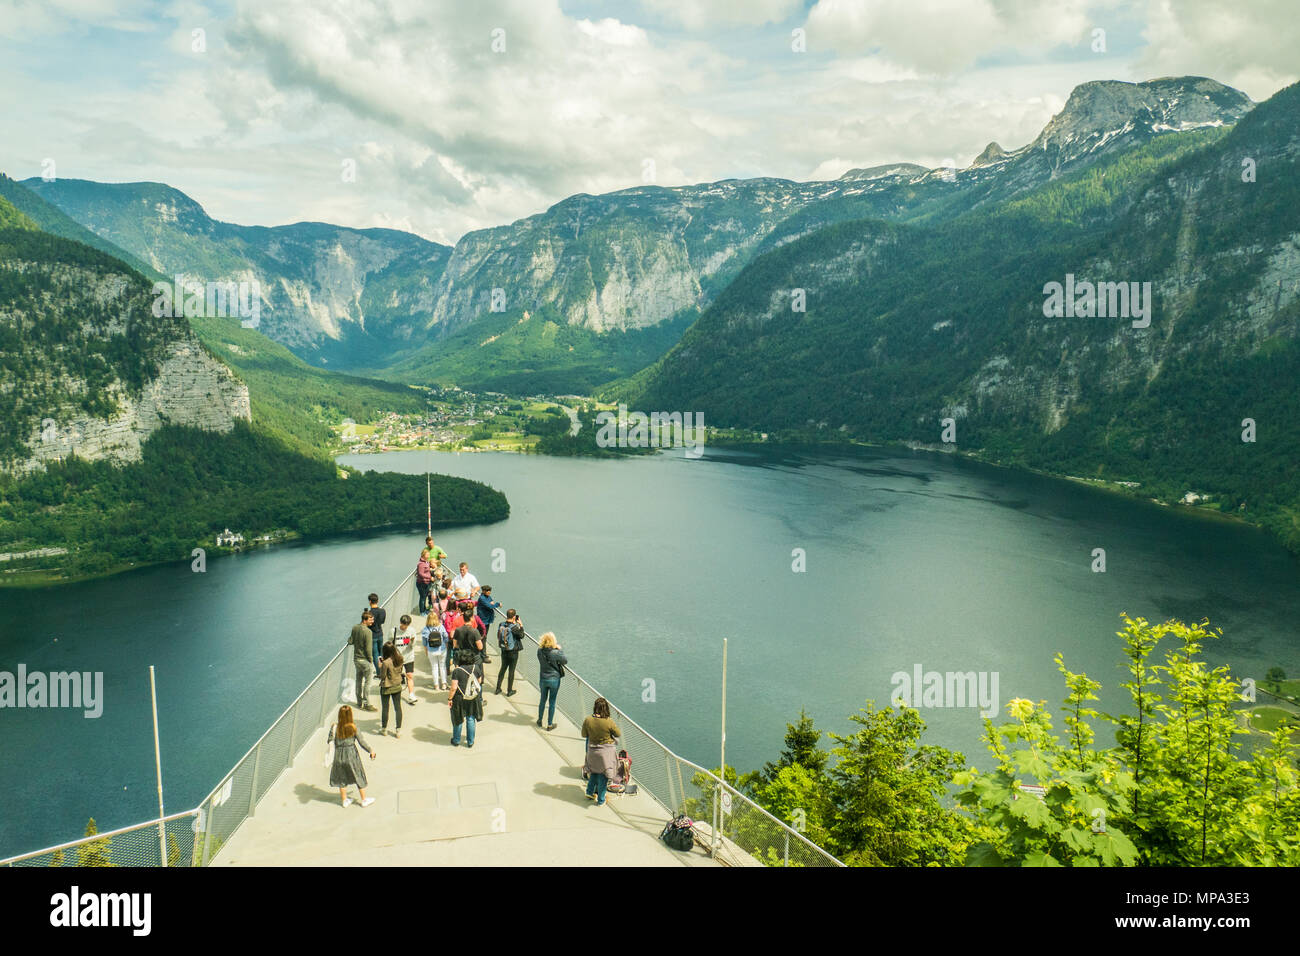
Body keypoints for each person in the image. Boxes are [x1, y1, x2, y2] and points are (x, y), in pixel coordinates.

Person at [328, 705, 376, 807]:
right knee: (358, 775)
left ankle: (344, 800)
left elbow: (330, 740)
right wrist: (370, 750)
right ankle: (364, 800)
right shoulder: (354, 727)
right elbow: (361, 742)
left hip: (338, 755)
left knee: (341, 777)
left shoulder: (334, 727)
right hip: (351, 754)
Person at [581, 697, 622, 806]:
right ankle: (601, 800)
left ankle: (589, 792)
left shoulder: (588, 720)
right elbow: (618, 733)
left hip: (592, 751)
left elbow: (584, 735)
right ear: (606, 708)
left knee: (594, 772)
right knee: (603, 776)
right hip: (605, 753)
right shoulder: (608, 722)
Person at [447, 649, 484, 748]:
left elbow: (454, 687)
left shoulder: (457, 671)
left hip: (459, 698)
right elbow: (479, 681)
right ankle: (470, 741)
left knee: (458, 719)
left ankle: (456, 740)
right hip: (472, 697)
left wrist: (449, 699)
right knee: (471, 718)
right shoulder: (476, 668)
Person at [536, 632, 567, 731]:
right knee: (552, 702)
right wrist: (560, 650)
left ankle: (540, 720)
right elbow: (565, 661)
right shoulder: (556, 652)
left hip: (543, 678)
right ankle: (549, 724)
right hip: (554, 679)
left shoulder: (539, 651)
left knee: (542, 700)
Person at [350, 611, 377, 712]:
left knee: (358, 680)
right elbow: (368, 649)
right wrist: (371, 661)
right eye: (371, 620)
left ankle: (359, 701)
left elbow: (351, 641)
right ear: (365, 620)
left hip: (356, 659)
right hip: (365, 660)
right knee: (367, 682)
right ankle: (367, 703)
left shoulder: (355, 628)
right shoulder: (368, 632)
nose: (372, 622)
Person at [392, 614, 421, 704]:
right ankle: (396, 693)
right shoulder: (394, 631)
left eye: (407, 625)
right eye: (404, 625)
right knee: (397, 676)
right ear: (401, 623)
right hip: (398, 657)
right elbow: (390, 644)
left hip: (409, 657)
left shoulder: (412, 631)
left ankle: (411, 694)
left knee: (410, 675)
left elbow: (412, 646)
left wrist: (412, 641)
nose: (405, 627)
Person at [495, 609, 524, 696]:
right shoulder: (514, 627)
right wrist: (521, 625)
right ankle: (509, 691)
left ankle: (498, 688)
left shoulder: (501, 624)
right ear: (514, 617)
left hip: (504, 650)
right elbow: (521, 635)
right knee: (511, 671)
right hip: (513, 652)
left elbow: (499, 635)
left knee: (503, 668)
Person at [378, 642, 405, 737]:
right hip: (397, 685)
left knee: (385, 708)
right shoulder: (400, 659)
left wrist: (380, 666)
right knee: (398, 708)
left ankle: (384, 729)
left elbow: (382, 676)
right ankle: (398, 730)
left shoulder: (385, 662)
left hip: (386, 687)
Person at [423, 610, 449, 690]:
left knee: (434, 667)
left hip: (431, 650)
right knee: (442, 666)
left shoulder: (426, 629)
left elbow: (424, 642)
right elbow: (446, 637)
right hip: (442, 649)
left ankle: (436, 685)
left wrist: (426, 650)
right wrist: (446, 645)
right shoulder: (441, 626)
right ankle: (444, 684)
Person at [365, 592, 386, 673]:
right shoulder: (382, 611)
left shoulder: (369, 613)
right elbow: (382, 621)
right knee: (381, 653)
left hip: (372, 636)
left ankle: (379, 672)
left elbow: (366, 624)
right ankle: (383, 668)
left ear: (370, 601)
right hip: (380, 634)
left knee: (375, 655)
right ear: (378, 601)